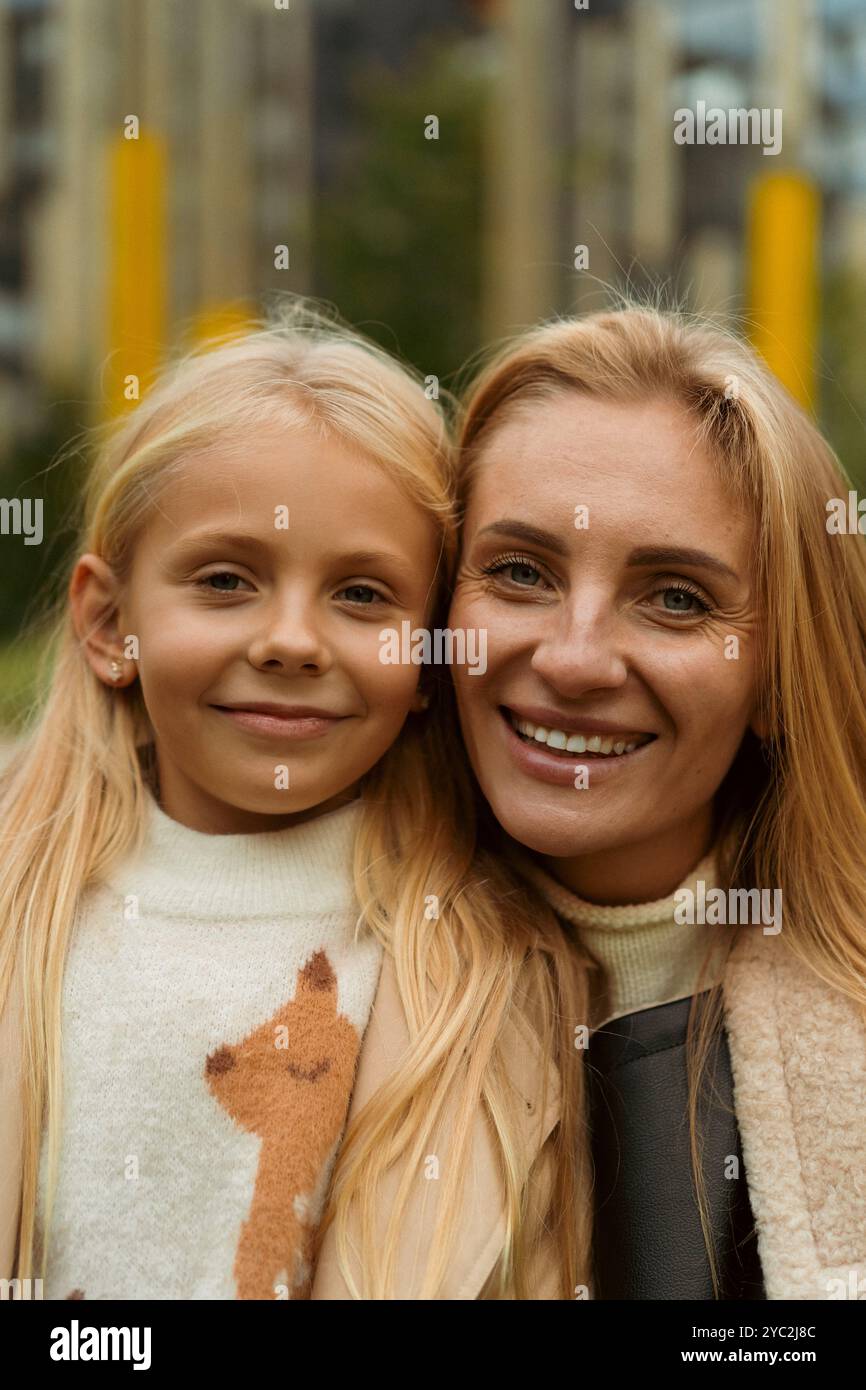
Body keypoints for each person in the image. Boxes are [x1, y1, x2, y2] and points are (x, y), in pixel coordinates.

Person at [0, 299, 582, 1301]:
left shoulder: (494, 976)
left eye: (362, 595)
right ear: (106, 623)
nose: (292, 642)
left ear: (431, 657)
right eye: (226, 580)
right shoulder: (23, 904)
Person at [446, 301, 866, 1299]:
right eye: (519, 571)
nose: (575, 659)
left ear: (778, 676)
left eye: (676, 596)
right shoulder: (301, 985)